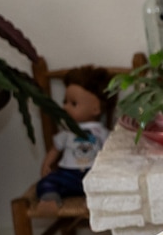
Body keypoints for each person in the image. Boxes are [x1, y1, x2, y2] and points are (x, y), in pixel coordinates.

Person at [36, 66, 111, 213]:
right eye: (65, 101)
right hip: (67, 174)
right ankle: (50, 198)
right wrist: (47, 163)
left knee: (106, 184)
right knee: (47, 182)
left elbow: (112, 150)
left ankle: (91, 201)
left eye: (73, 103)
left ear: (95, 108)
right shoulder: (67, 131)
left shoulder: (101, 132)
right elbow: (55, 148)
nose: (65, 107)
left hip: (93, 172)